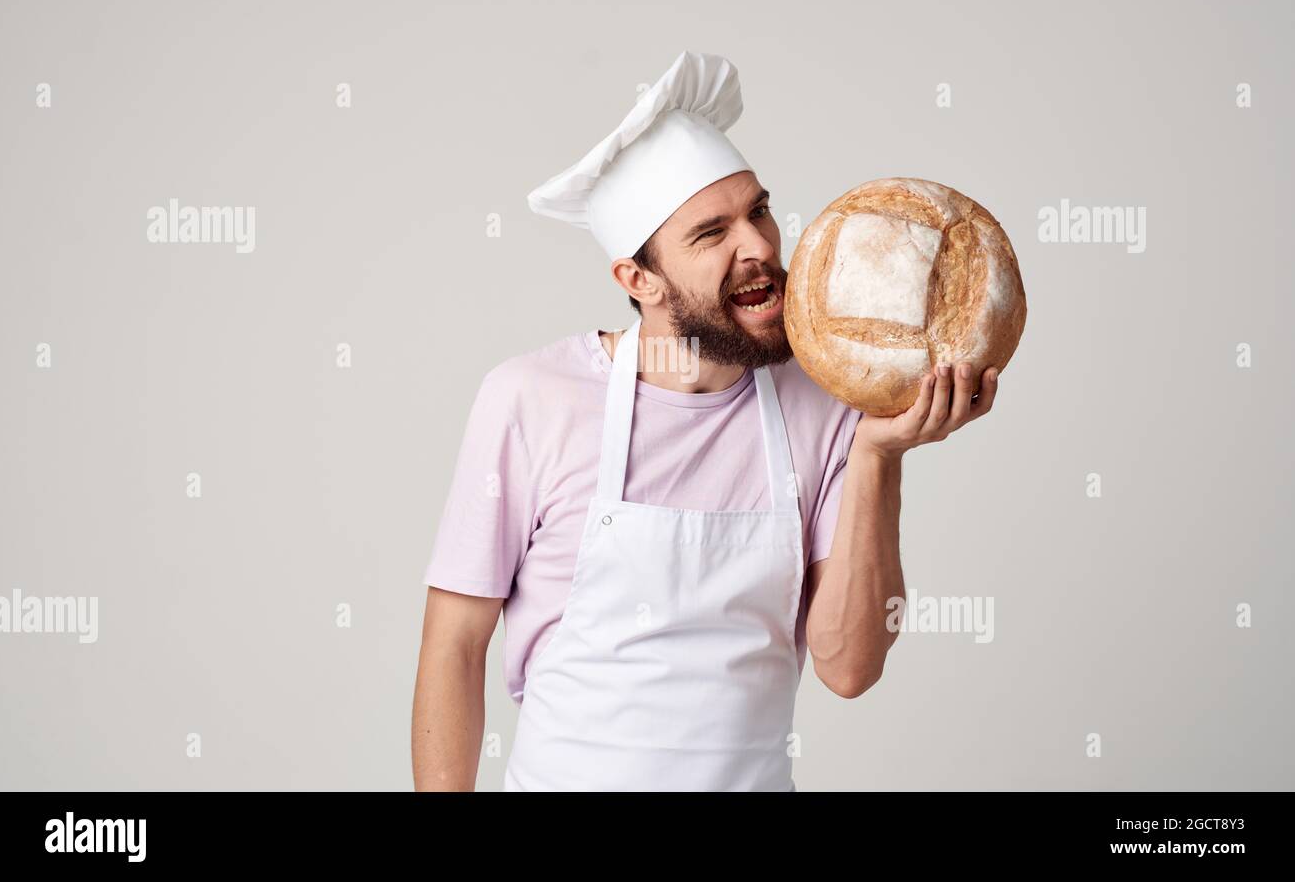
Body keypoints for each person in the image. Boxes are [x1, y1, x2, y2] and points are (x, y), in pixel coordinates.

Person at [411, 51, 999, 791]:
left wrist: (880, 454)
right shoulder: (532, 399)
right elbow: (454, 648)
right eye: (710, 233)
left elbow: (848, 665)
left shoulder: (825, 403)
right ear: (638, 278)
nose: (758, 246)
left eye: (758, 211)